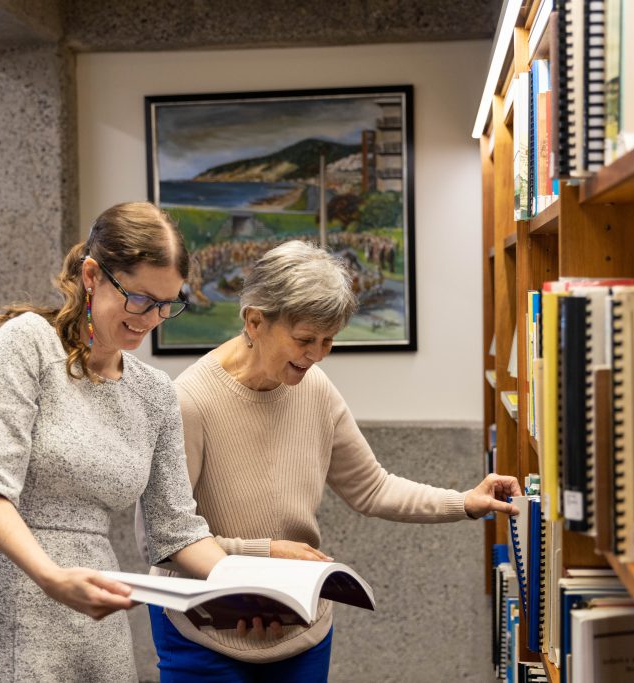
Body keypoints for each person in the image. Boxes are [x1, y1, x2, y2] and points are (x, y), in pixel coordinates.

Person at [146, 240, 521, 682]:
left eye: (329, 341)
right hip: (203, 633)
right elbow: (162, 541)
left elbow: (372, 487)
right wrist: (258, 563)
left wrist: (464, 502)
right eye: (305, 339)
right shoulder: (186, 400)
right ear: (255, 321)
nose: (317, 355)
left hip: (298, 625)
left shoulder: (315, 387)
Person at [0, 202, 227, 683]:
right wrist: (49, 576)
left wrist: (247, 584)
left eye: (168, 304)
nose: (152, 319)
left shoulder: (154, 393)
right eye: (140, 299)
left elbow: (176, 530)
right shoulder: (27, 345)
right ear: (92, 275)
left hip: (90, 608)